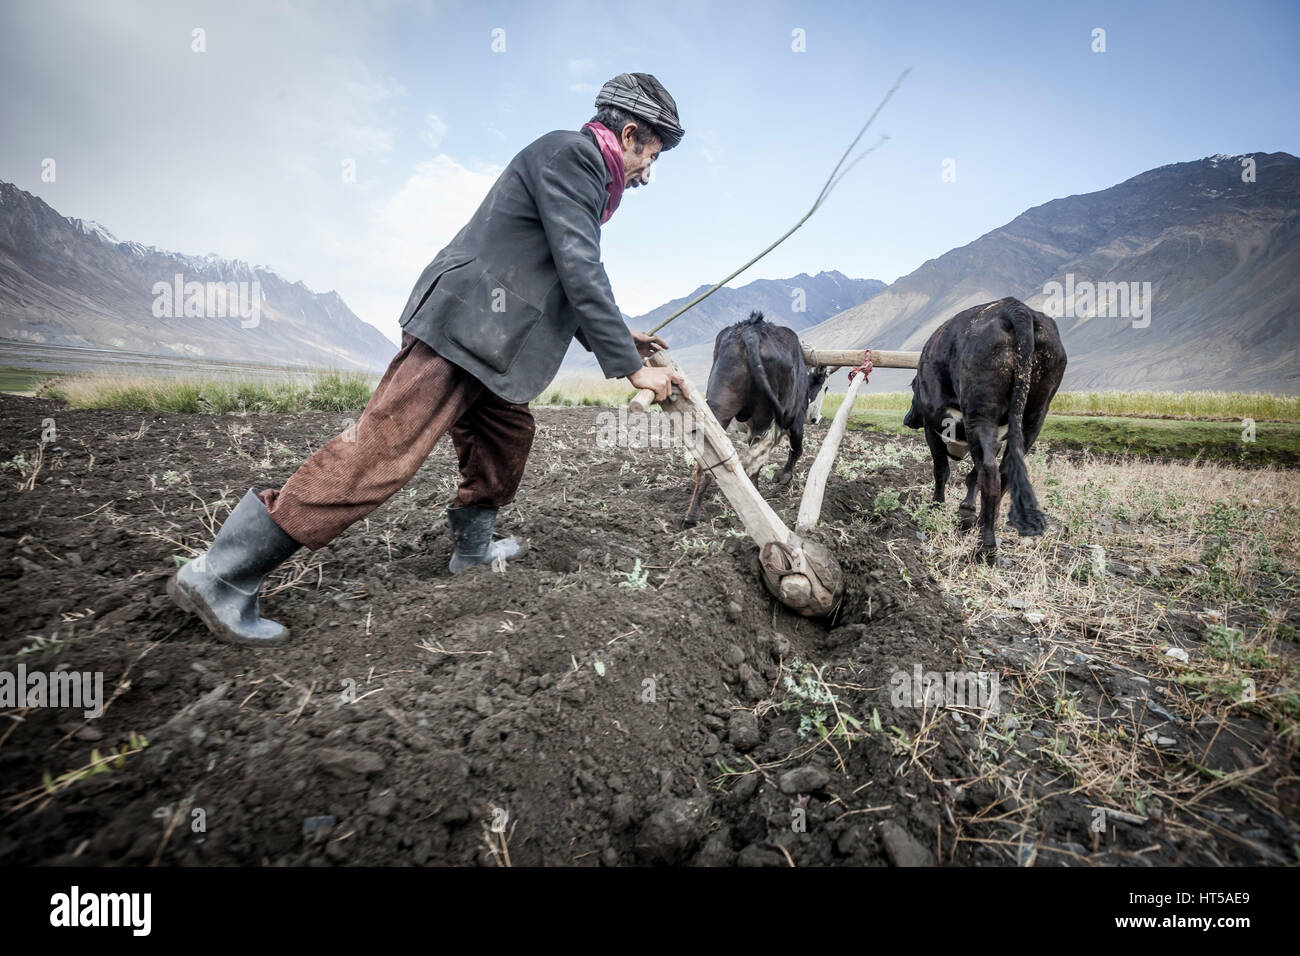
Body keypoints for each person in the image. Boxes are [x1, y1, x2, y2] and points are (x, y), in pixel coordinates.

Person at [168, 72, 686, 648]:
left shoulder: (579, 168)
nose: (648, 173)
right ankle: (221, 576)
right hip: (465, 328)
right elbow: (579, 265)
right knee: (379, 452)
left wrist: (619, 339)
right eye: (651, 156)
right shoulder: (574, 156)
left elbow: (563, 281)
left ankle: (472, 550)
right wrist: (631, 367)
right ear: (631, 132)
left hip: (495, 338)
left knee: (504, 439)